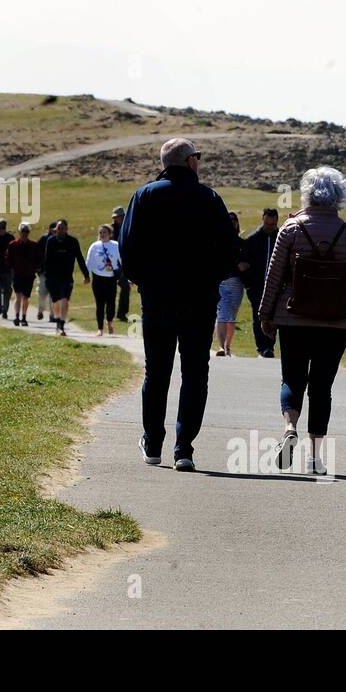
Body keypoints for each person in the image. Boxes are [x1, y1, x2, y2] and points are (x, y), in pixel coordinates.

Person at [119, 138, 236, 472]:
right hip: (199, 300)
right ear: (189, 161)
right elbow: (230, 249)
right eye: (198, 156)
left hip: (157, 298)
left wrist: (143, 281)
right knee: (195, 372)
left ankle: (153, 442)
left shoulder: (144, 196)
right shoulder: (209, 198)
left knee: (156, 371)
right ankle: (184, 448)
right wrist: (212, 279)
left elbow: (127, 247)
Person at [259, 166, 346, 476]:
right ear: (341, 196)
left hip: (293, 319)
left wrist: (265, 314)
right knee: (322, 387)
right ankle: (315, 457)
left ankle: (289, 428)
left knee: (292, 379)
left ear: (307, 193)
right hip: (335, 322)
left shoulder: (290, 229)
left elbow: (274, 276)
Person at [240, 208, 280, 357]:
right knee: (258, 316)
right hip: (256, 286)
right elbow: (242, 264)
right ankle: (262, 346)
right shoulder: (252, 240)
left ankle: (270, 345)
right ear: (263, 220)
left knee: (273, 317)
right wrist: (248, 284)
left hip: (275, 287)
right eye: (268, 224)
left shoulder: (281, 238)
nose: (270, 227)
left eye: (273, 224)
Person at [41, 218, 89, 336]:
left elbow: (80, 258)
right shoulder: (51, 241)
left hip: (67, 276)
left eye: (63, 228)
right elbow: (47, 259)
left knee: (65, 299)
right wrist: (46, 275)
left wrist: (86, 274)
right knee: (55, 301)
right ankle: (57, 319)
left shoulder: (72, 241)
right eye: (58, 228)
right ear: (55, 229)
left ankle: (61, 324)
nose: (60, 230)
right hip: (52, 276)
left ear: (66, 229)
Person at [214, 211, 244, 356]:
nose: (232, 222)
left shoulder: (242, 243)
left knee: (231, 315)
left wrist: (244, 265)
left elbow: (248, 260)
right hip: (221, 282)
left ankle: (227, 346)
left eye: (234, 220)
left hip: (237, 282)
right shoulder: (217, 242)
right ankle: (221, 347)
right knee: (222, 313)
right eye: (229, 220)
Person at [86, 223, 122, 336]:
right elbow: (89, 261)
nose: (102, 234)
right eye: (100, 232)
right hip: (98, 278)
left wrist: (126, 275)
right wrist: (86, 276)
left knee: (111, 303)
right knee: (100, 304)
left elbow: (121, 259)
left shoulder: (115, 245)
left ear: (110, 234)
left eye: (104, 232)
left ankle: (109, 321)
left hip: (111, 278)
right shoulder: (94, 246)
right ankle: (100, 329)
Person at [6, 223, 41, 326]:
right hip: (17, 274)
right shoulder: (13, 245)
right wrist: (10, 269)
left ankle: (24, 317)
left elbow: (38, 259)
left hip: (29, 275)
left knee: (26, 297)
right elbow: (8, 259)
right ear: (19, 232)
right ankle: (17, 316)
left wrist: (36, 268)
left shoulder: (34, 245)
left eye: (26, 232)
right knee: (18, 296)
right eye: (23, 232)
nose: (24, 234)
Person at [111, 206, 131, 322]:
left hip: (123, 263)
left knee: (125, 288)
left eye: (118, 216)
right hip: (111, 264)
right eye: (115, 217)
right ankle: (109, 313)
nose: (117, 219)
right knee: (110, 290)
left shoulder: (128, 227)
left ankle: (122, 313)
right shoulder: (110, 229)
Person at [35, 221, 57, 321]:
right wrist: (38, 267)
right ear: (50, 229)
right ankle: (40, 311)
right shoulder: (43, 239)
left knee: (53, 295)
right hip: (43, 272)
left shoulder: (59, 240)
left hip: (54, 273)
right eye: (54, 229)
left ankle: (52, 315)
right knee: (42, 293)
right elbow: (36, 254)